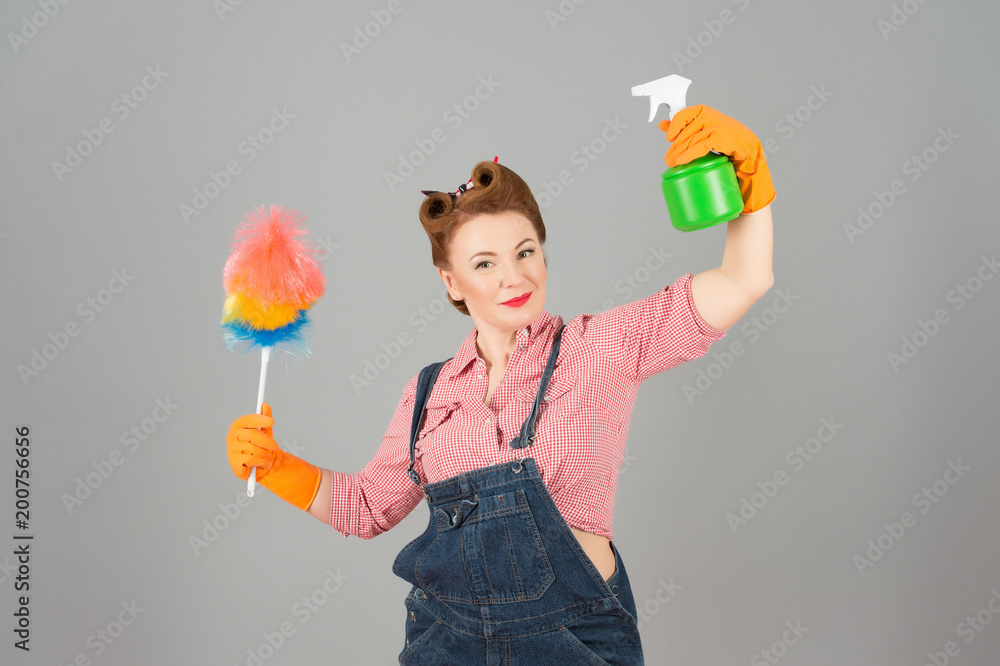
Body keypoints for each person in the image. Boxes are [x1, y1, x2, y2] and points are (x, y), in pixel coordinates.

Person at [226, 104, 775, 664]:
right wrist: (276, 466)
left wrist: (751, 185)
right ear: (453, 282)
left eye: (525, 252)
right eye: (484, 264)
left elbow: (743, 280)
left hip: (571, 643)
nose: (514, 276)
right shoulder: (427, 393)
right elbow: (366, 508)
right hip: (447, 643)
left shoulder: (598, 348)